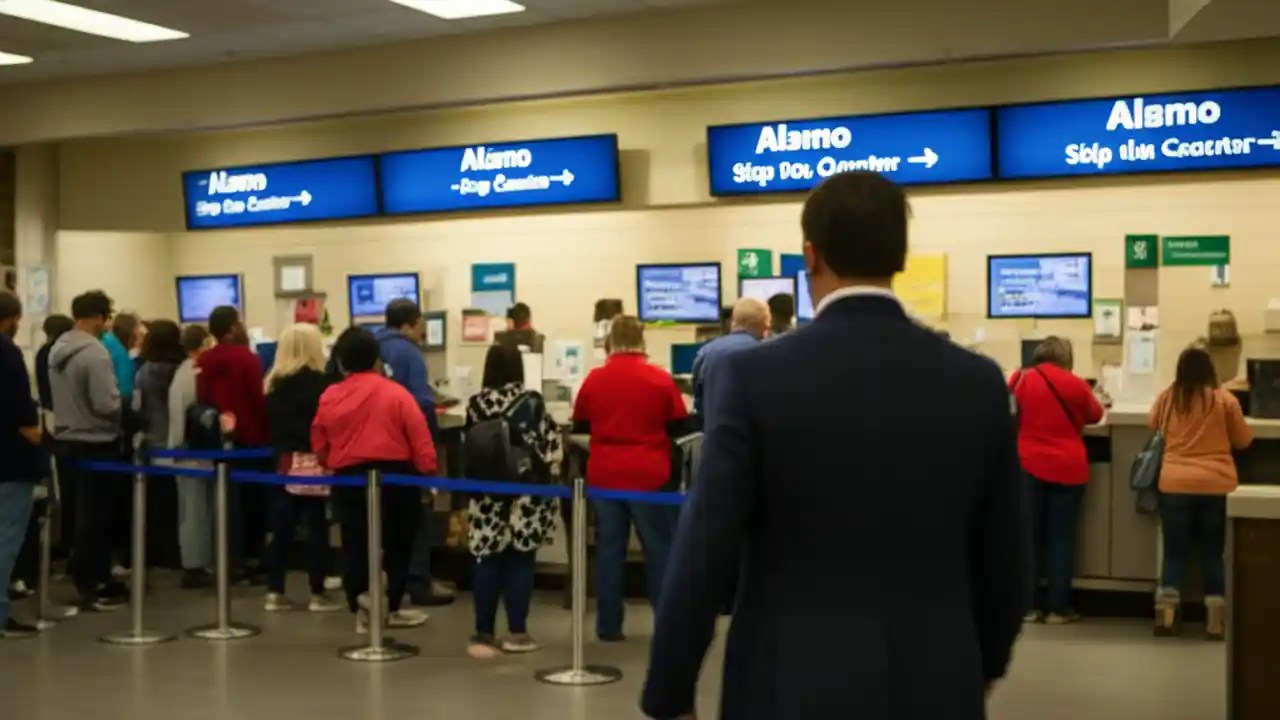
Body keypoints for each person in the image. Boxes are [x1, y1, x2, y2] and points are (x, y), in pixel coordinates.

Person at [641, 172, 1028, 720]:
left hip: (789, 682)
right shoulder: (977, 383)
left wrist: (670, 693)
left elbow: (705, 548)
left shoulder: (755, 380)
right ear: (900, 255)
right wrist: (981, 664)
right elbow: (1005, 555)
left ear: (811, 255)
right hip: (936, 678)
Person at [572, 315, 695, 642]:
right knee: (658, 550)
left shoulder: (595, 379)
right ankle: (666, 624)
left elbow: (580, 425)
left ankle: (608, 626)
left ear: (610, 341)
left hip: (605, 474)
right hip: (649, 474)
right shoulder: (659, 379)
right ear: (642, 341)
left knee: (609, 551)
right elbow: (678, 425)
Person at [312, 328, 435, 633]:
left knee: (355, 544)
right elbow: (420, 438)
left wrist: (329, 461)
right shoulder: (396, 393)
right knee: (398, 544)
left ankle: (361, 604)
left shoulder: (330, 396)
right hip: (396, 478)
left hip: (349, 480)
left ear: (341, 363)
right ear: (377, 361)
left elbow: (319, 441)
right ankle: (391, 604)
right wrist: (427, 472)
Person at [464, 344, 563, 658]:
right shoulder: (531, 402)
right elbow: (550, 448)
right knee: (521, 560)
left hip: (486, 496)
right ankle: (517, 632)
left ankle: (483, 631)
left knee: (487, 559)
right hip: (525, 496)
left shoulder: (475, 405)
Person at [1150, 346, 1251, 639]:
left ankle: (1166, 618)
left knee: (1173, 554)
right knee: (1212, 553)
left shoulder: (1169, 398)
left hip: (1175, 484)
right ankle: (1215, 622)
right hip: (1217, 485)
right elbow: (1243, 440)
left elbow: (1152, 423)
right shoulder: (1224, 400)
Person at [1009, 336, 1104, 625]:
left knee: (1029, 537)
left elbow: (1006, 410)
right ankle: (1058, 608)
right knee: (1061, 539)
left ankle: (1027, 606)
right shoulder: (1075, 384)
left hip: (1028, 465)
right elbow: (1096, 414)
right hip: (1068, 468)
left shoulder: (1020, 380)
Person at [49, 289, 127, 612]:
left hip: (65, 438)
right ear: (98, 317)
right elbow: (105, 403)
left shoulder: (58, 349)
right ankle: (96, 582)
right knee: (98, 518)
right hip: (97, 443)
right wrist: (125, 408)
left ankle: (83, 578)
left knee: (77, 515)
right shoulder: (95, 353)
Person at [375, 298, 452, 607]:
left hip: (372, 450)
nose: (422, 330)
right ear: (409, 323)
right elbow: (422, 403)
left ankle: (383, 584)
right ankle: (418, 582)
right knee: (417, 516)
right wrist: (428, 447)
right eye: (420, 324)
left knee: (381, 518)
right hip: (404, 448)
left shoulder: (369, 346)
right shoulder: (409, 353)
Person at [263, 323, 341, 613]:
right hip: (316, 459)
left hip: (284, 460)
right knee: (316, 525)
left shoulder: (272, 383)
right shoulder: (324, 383)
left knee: (281, 528)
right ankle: (317, 592)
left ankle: (275, 590)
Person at [198, 305, 270, 582]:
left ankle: (229, 558)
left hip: (219, 440)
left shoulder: (205, 359)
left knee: (226, 503)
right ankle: (253, 557)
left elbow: (203, 397)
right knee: (254, 505)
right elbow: (257, 400)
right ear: (232, 327)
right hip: (251, 439)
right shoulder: (247, 359)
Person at [0, 291, 43, 638]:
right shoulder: (6, 351)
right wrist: (38, 434)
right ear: (11, 318)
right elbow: (22, 411)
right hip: (9, 462)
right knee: (5, 538)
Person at [133, 320, 189, 570]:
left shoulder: (143, 371)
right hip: (178, 444)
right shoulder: (182, 370)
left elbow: (138, 406)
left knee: (155, 506)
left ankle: (155, 552)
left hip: (152, 442)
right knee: (179, 507)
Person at [168, 324, 214, 588]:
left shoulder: (182, 373)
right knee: (195, 511)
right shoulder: (192, 373)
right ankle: (195, 564)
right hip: (191, 451)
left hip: (184, 450)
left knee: (194, 510)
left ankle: (196, 561)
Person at [691, 297, 770, 423]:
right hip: (751, 437)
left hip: (714, 436)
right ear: (764, 324)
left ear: (734, 321)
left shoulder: (706, 352)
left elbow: (698, 402)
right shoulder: (766, 353)